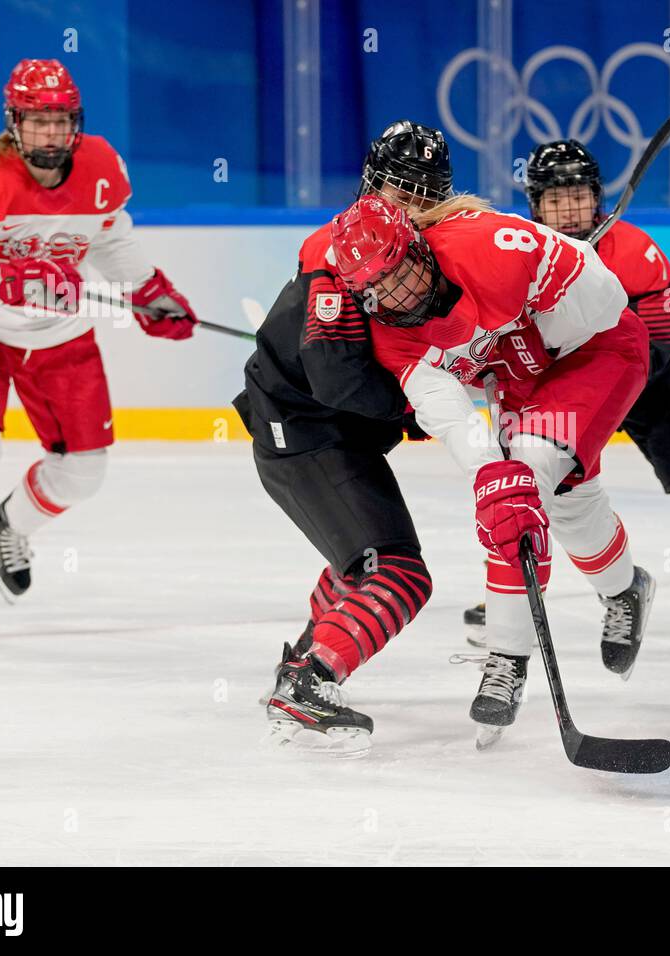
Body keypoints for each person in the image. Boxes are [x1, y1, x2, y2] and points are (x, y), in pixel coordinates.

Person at [330, 192, 652, 745]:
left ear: (418, 248)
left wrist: (538, 317)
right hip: (519, 380)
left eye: (399, 274)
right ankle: (626, 589)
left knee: (529, 477)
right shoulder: (391, 334)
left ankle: (507, 660)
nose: (395, 295)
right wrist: (486, 474)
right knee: (543, 500)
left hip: (596, 350)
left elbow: (608, 299)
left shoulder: (491, 245)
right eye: (376, 288)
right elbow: (449, 415)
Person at [0, 58, 198, 640]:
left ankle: (7, 525)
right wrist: (6, 284)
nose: (51, 134)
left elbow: (110, 235)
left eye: (61, 121)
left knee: (86, 470)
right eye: (38, 121)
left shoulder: (100, 166)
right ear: (13, 123)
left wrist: (148, 290)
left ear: (76, 122)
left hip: (56, 332)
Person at [462, 140, 670, 644]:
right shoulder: (518, 253)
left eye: (578, 196)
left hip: (652, 383)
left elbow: (657, 344)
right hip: (563, 385)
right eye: (555, 199)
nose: (568, 210)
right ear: (535, 204)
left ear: (598, 198)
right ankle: (510, 595)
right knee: (525, 483)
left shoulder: (635, 251)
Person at [235, 120, 452, 756]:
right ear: (369, 185)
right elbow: (334, 378)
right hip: (303, 432)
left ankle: (307, 658)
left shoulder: (411, 246)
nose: (405, 207)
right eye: (395, 190)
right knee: (398, 574)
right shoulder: (337, 251)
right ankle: (309, 681)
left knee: (362, 560)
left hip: (325, 430)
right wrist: (415, 408)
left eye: (421, 194)